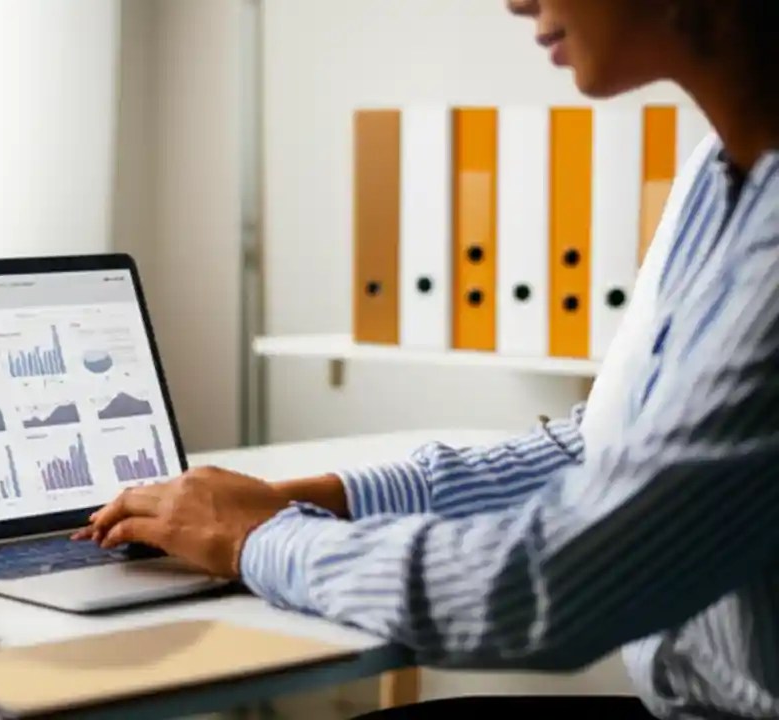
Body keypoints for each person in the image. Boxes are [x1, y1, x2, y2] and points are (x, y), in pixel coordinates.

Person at [74, 1, 779, 717]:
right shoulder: (716, 177)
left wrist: (258, 537)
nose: (517, 2)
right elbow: (611, 442)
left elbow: (547, 589)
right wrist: (317, 499)